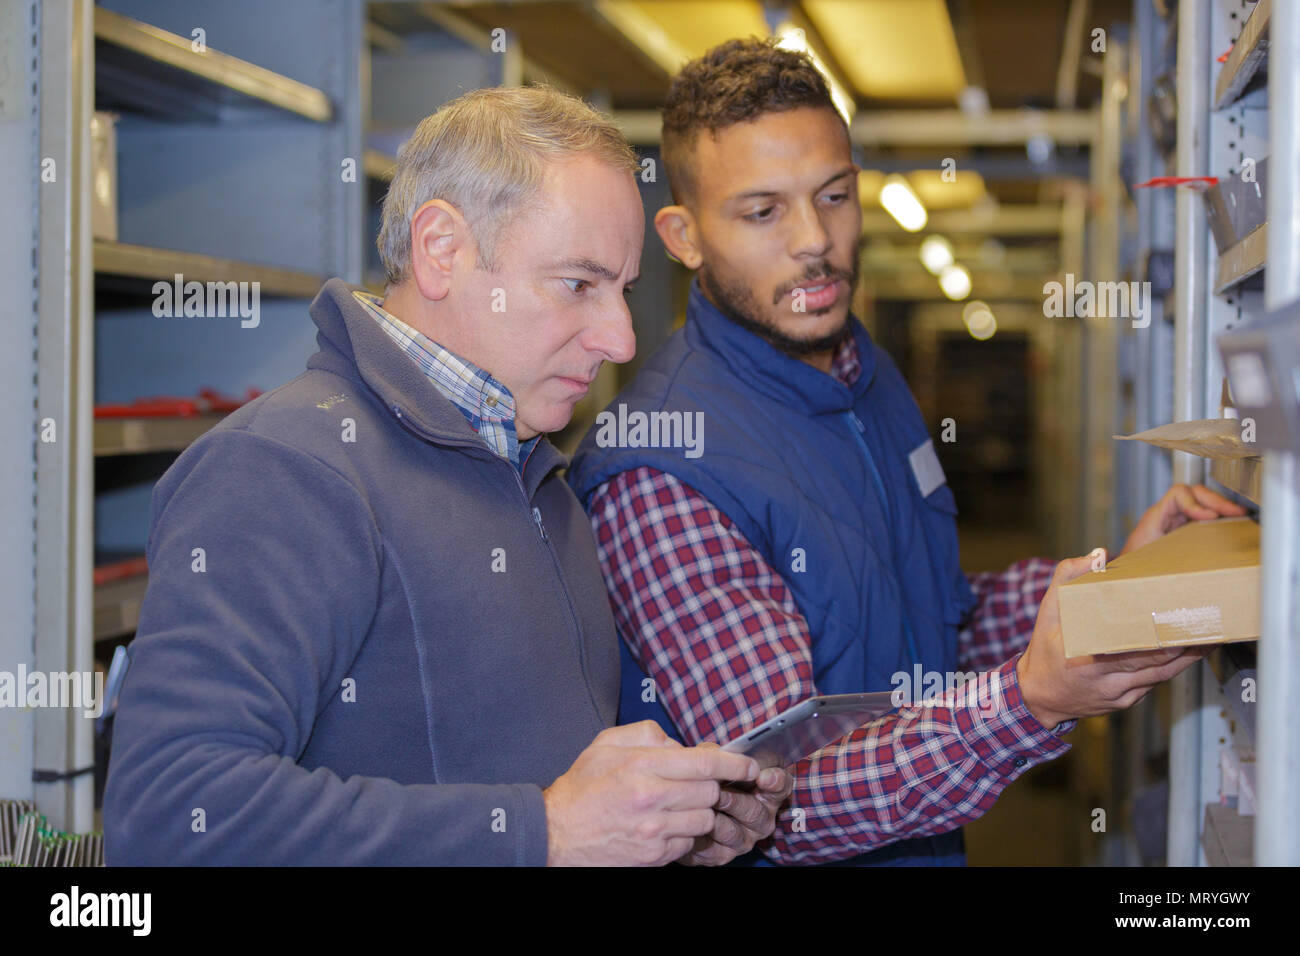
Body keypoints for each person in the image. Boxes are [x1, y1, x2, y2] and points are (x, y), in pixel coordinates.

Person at [567, 38, 1246, 866]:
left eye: (835, 194)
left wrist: (1112, 585)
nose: (814, 239)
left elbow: (928, 619)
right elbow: (786, 799)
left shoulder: (867, 375)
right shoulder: (661, 471)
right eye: (762, 211)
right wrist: (1028, 699)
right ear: (683, 236)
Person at [103, 85, 792, 867]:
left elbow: (535, 776)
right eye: (578, 284)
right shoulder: (285, 468)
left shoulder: (539, 477)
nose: (621, 339)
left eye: (623, 291)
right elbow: (170, 815)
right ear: (441, 250)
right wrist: (548, 831)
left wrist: (664, 819)